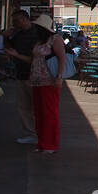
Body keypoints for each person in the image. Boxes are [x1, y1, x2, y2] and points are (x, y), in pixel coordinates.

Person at [29, 14, 67, 155]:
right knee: (39, 113)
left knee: (49, 113)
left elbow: (62, 58)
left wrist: (59, 77)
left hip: (49, 81)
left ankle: (50, 143)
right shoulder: (40, 41)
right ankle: (42, 142)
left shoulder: (55, 40)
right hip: (37, 80)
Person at [3, 9, 39, 144]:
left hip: (33, 75)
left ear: (24, 19)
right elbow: (10, 48)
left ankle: (37, 133)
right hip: (21, 73)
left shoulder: (35, 34)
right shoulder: (18, 34)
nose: (14, 24)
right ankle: (30, 133)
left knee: (34, 106)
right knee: (23, 106)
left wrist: (17, 56)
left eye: (16, 21)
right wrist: (6, 37)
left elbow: (34, 59)